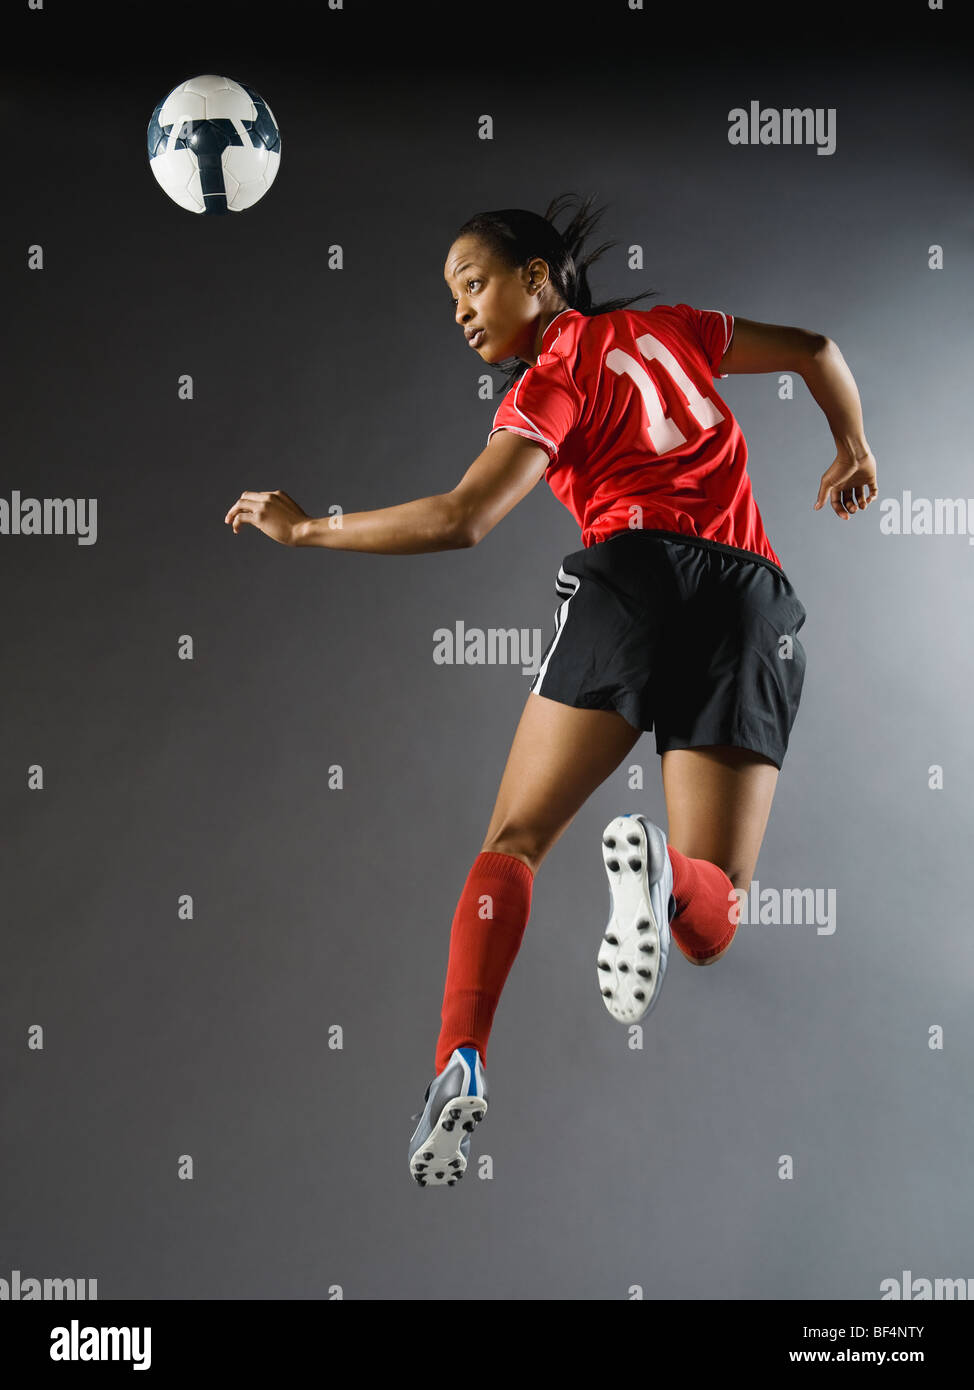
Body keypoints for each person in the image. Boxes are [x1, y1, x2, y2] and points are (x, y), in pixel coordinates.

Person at [223, 192, 879, 1190]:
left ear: (539, 277)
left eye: (473, 281)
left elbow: (462, 515)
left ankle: (461, 1059)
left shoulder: (553, 372)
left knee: (513, 840)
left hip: (633, 577)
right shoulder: (673, 331)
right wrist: (852, 445)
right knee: (714, 915)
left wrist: (308, 529)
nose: (461, 311)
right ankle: (667, 879)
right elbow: (815, 345)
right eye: (451, 298)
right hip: (751, 599)